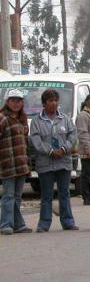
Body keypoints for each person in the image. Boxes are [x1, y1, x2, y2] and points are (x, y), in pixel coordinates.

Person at [29, 89, 78, 232]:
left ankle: (68, 222)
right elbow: (36, 141)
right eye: (50, 101)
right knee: (46, 195)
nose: (54, 103)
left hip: (64, 162)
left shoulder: (66, 119)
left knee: (64, 193)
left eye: (56, 100)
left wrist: (63, 149)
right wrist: (50, 151)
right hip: (45, 164)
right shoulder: (36, 121)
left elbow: (72, 136)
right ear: (44, 103)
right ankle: (44, 224)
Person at [0, 89, 32, 235]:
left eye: (19, 100)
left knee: (17, 196)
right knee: (8, 196)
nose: (16, 103)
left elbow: (25, 143)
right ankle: (6, 224)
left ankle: (18, 224)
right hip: (7, 165)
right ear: (7, 102)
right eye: (13, 100)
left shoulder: (23, 119)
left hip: (21, 165)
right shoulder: (2, 119)